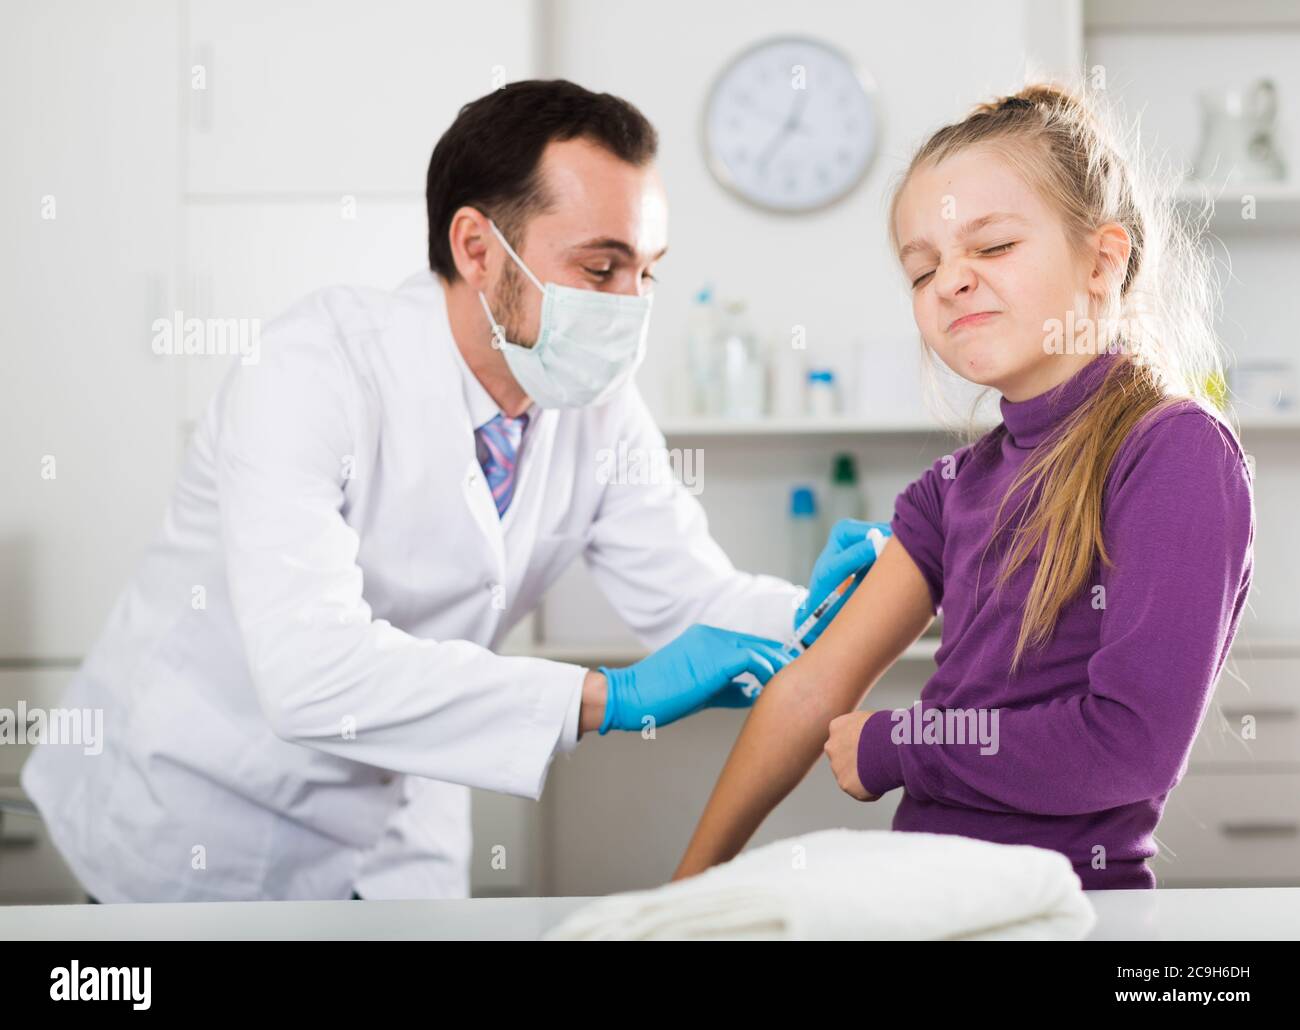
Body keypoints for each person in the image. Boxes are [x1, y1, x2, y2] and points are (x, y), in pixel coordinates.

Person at [22, 80, 887, 902]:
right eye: (600, 268)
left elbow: (695, 599)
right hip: (205, 808)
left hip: (402, 828)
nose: (631, 306)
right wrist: (605, 698)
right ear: (478, 249)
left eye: (647, 272)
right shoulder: (310, 372)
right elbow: (309, 673)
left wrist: (833, 610)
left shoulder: (597, 408)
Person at [673, 83, 1255, 891]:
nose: (950, 281)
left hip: (1067, 909)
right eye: (923, 268)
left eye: (992, 247)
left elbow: (1127, 748)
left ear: (1103, 258)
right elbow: (811, 690)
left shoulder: (1172, 452)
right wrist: (684, 891)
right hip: (933, 898)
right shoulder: (950, 488)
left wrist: (899, 745)